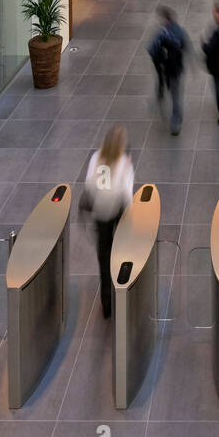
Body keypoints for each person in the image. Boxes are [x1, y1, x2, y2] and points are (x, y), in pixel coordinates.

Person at [81, 125, 134, 319]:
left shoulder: (96, 157)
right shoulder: (122, 162)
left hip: (100, 213)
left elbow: (88, 184)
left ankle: (106, 302)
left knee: (103, 256)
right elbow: (127, 193)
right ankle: (123, 288)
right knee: (121, 251)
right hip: (117, 211)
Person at [148, 6, 188, 136]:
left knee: (165, 87)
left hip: (166, 69)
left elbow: (152, 49)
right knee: (175, 95)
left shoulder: (162, 33)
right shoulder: (179, 31)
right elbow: (187, 47)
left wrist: (159, 60)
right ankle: (176, 121)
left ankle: (161, 101)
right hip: (176, 69)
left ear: (165, 19)